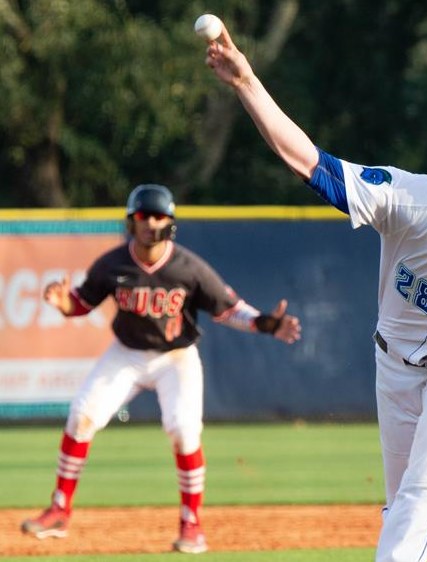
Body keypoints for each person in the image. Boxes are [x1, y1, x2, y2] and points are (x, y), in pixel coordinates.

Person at [202, 22, 427, 562]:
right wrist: (248, 81)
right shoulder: (415, 201)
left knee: (418, 500)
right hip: (396, 367)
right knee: (406, 515)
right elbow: (315, 166)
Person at [20, 183, 302, 554]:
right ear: (131, 222)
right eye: (143, 216)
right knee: (81, 416)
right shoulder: (113, 263)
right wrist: (63, 303)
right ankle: (59, 510)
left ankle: (192, 525)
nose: (150, 222)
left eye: (158, 216)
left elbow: (228, 308)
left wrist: (262, 323)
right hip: (127, 352)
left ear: (170, 222)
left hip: (176, 357)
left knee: (183, 431)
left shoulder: (187, 266)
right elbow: (82, 302)